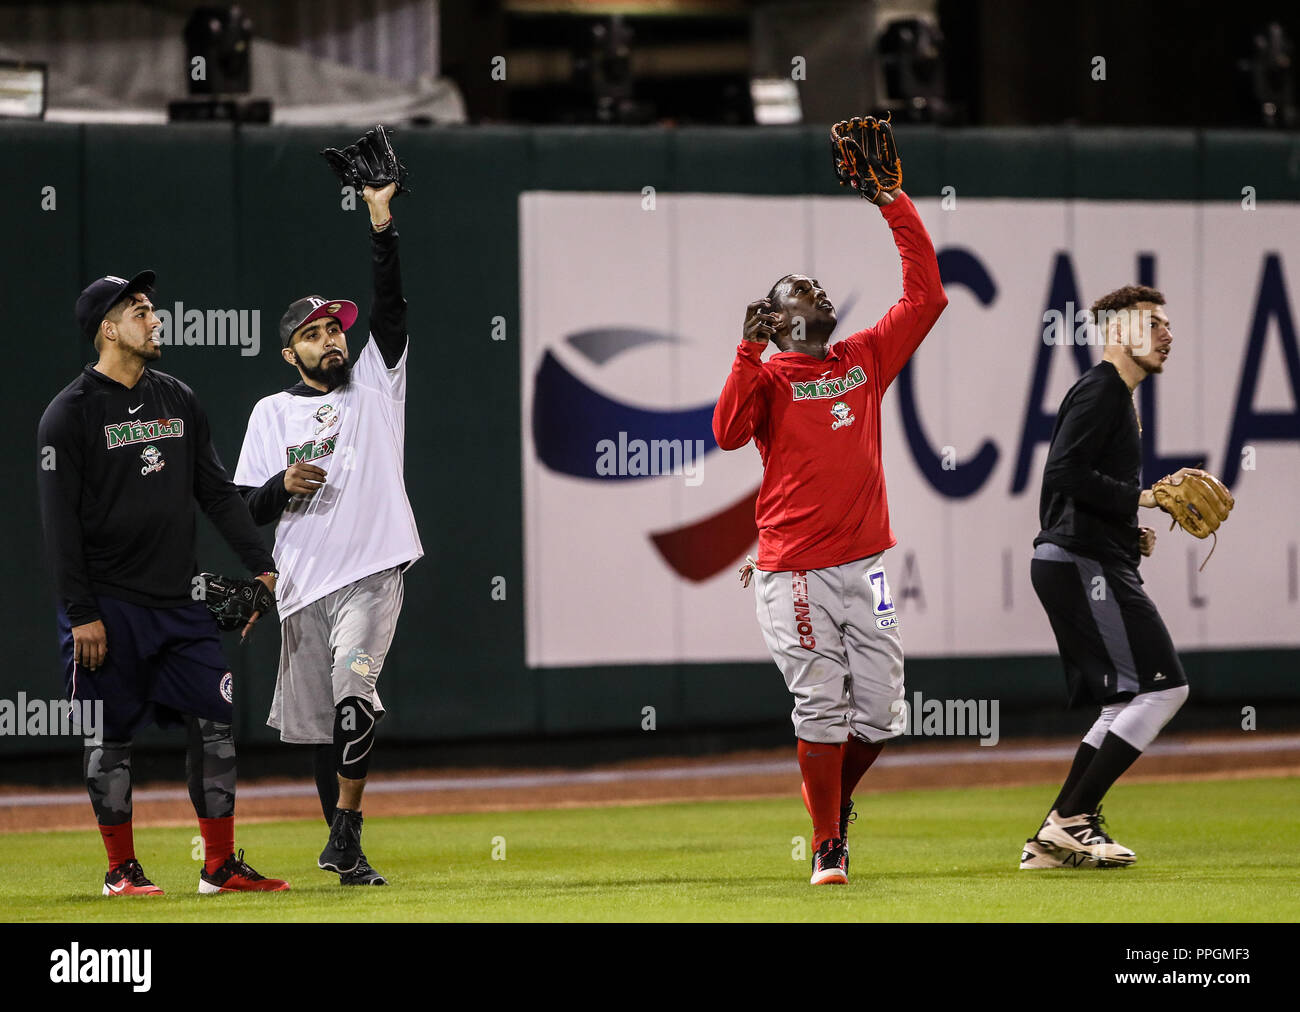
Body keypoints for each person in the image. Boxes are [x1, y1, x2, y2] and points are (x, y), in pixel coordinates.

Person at [713, 185, 947, 885]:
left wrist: (894, 203)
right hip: (796, 572)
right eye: (803, 291)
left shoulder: (861, 358)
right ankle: (826, 845)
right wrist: (746, 352)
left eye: (818, 287)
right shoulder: (771, 373)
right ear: (781, 320)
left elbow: (927, 297)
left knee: (880, 714)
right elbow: (726, 434)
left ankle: (832, 803)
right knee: (820, 701)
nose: (820, 293)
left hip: (867, 569)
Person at [37, 271, 288, 896]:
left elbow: (215, 491)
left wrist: (261, 563)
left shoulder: (177, 397)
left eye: (153, 307)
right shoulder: (67, 416)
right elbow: (59, 527)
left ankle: (219, 866)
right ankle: (121, 869)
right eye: (140, 310)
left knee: (217, 725)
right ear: (109, 328)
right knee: (110, 737)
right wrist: (80, 612)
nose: (155, 318)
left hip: (181, 602)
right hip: (109, 607)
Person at [234, 182, 422, 886]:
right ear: (291, 353)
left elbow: (390, 305)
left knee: (352, 692)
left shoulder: (377, 384)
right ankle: (346, 852)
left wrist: (381, 218)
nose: (330, 338)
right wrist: (280, 488)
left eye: (334, 328)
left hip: (372, 572)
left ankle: (347, 829)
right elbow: (243, 507)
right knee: (321, 728)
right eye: (313, 333)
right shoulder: (270, 413)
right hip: (303, 586)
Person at [1021, 285, 1193, 869]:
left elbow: (1078, 483)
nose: (1168, 334)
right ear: (1119, 333)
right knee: (1164, 687)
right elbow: (1063, 471)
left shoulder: (1114, 395)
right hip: (1079, 561)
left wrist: (1126, 528)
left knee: (1125, 698)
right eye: (1155, 323)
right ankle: (1072, 820)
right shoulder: (1103, 390)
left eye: (1168, 324)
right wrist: (1139, 498)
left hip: (1084, 557)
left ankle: (1053, 836)